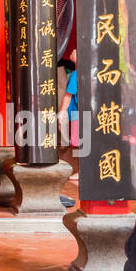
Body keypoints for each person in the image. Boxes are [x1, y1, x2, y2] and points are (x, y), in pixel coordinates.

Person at [57, 49, 78, 208]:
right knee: (80, 144)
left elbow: (68, 95)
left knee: (81, 144)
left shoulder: (76, 76)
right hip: (80, 114)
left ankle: (84, 172)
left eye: (75, 52)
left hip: (78, 114)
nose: (72, 52)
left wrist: (62, 112)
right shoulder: (81, 74)